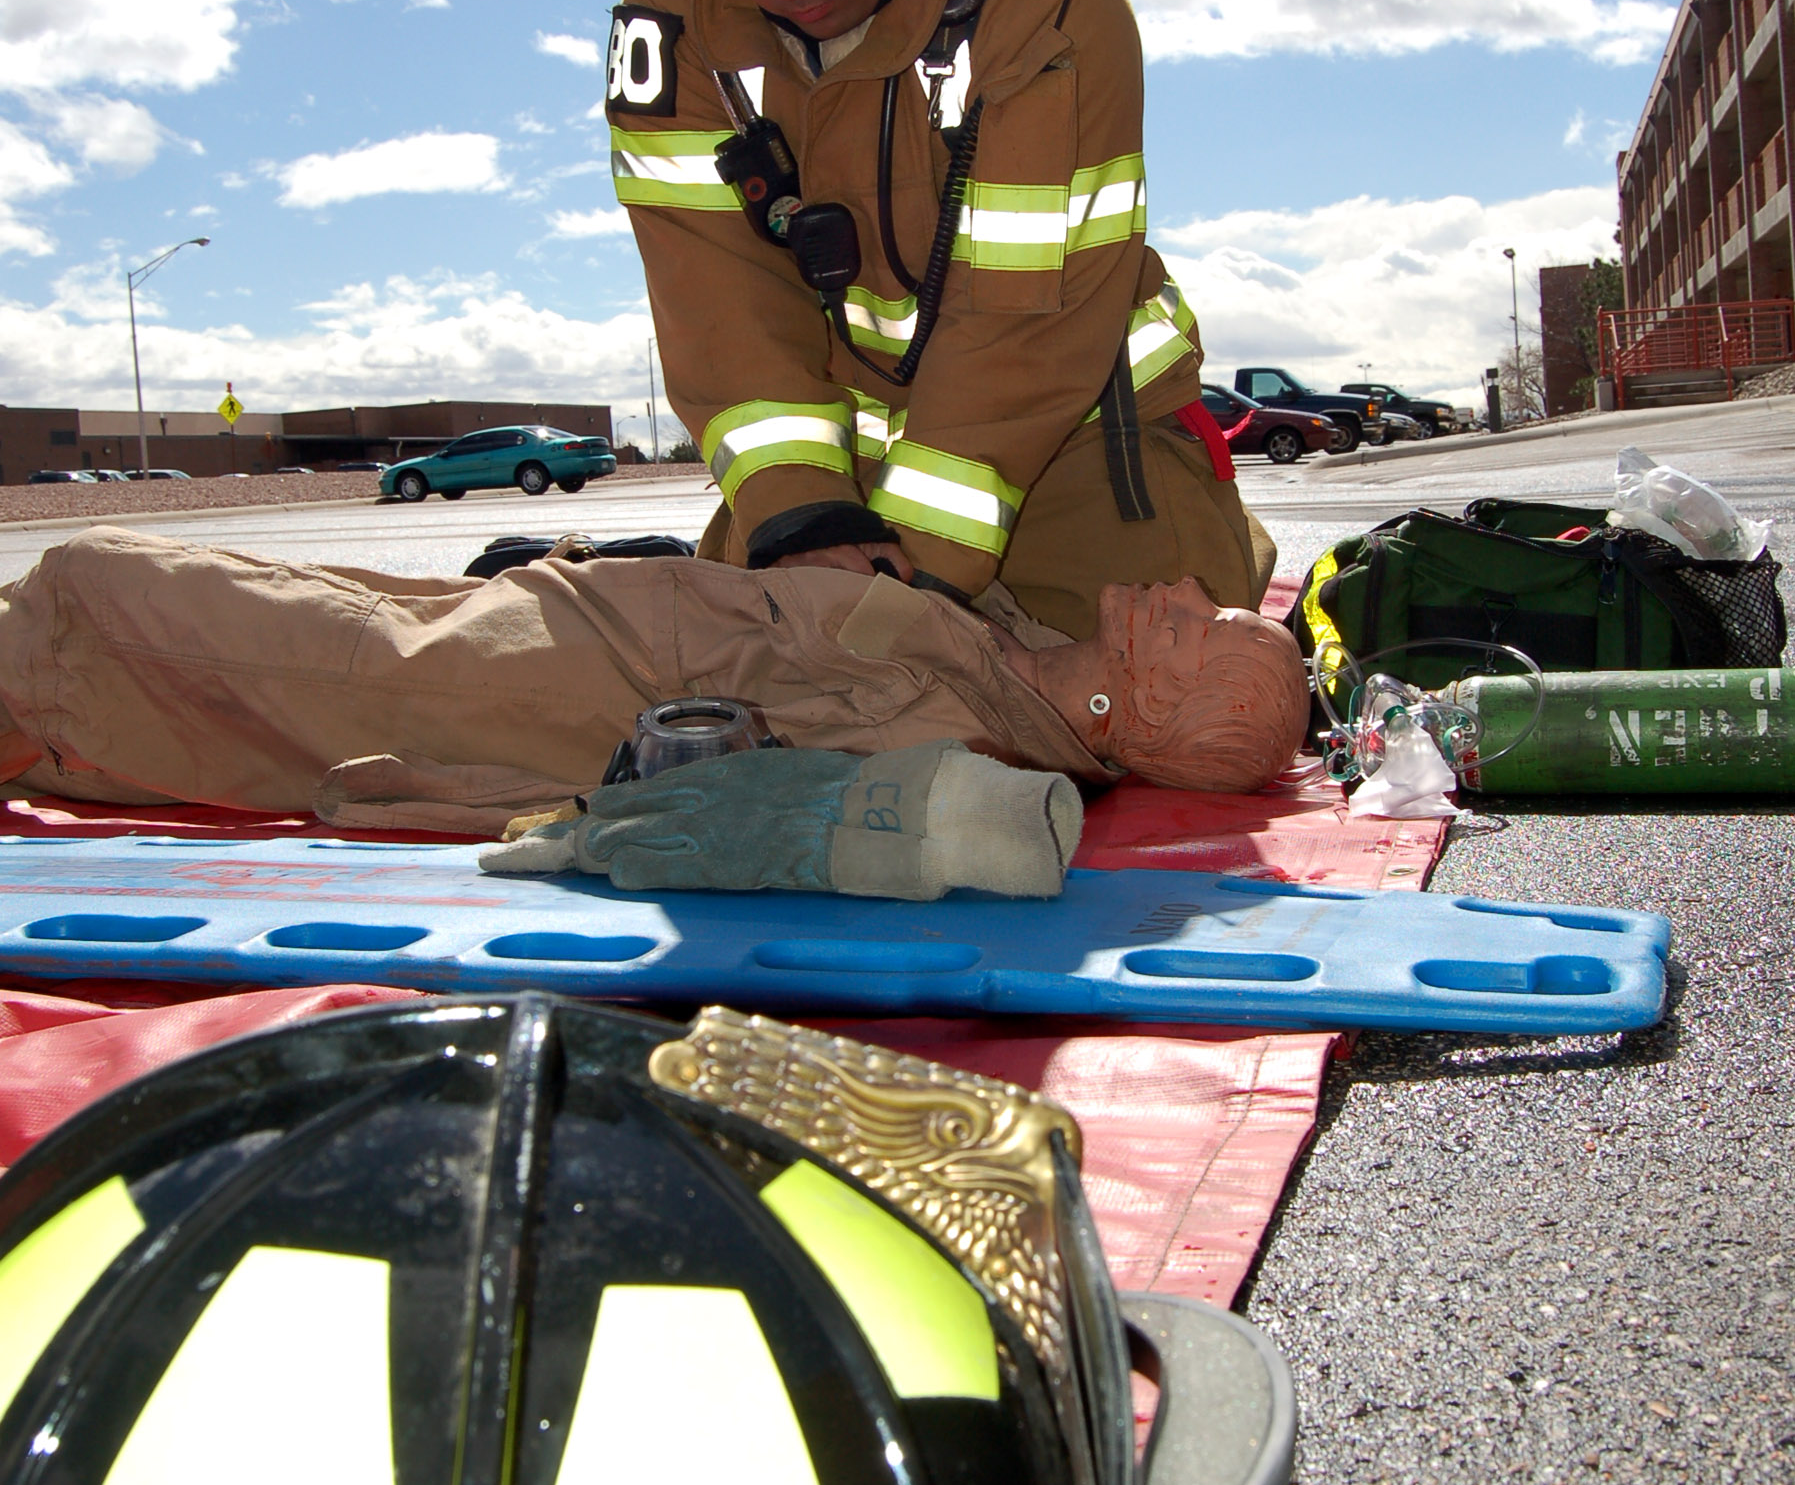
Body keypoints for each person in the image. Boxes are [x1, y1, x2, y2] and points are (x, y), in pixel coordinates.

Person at [606, 0, 1275, 642]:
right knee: (729, 699)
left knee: (1131, 708)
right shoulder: (670, 16)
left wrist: (900, 596)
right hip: (843, 460)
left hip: (1074, 433)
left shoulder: (1056, 0)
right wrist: (803, 515)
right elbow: (713, 296)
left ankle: (1220, 539)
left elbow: (1023, 327)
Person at [0, 531, 1310, 823]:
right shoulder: (1008, 645)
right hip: (543, 619)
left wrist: (445, 798)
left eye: (1204, 638)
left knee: (109, 604)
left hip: (513, 684)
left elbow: (691, 797)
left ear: (1149, 711)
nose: (1192, 599)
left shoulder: (951, 728)